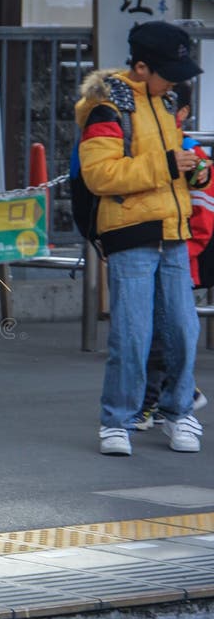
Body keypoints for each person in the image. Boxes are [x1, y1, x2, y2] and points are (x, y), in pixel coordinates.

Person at [75, 20, 206, 456]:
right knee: (132, 333)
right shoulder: (106, 106)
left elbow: (174, 163)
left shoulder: (166, 100)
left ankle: (178, 411)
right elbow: (100, 175)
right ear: (143, 67)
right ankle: (118, 418)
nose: (177, 80)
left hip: (173, 229)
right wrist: (170, 165)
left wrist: (195, 171)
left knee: (183, 331)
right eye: (169, 71)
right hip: (130, 231)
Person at [136, 80, 211, 430]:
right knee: (153, 333)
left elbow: (203, 217)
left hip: (180, 256)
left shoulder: (193, 153)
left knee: (167, 333)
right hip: (149, 251)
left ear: (182, 113)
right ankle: (165, 398)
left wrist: (185, 256)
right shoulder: (145, 147)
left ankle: (158, 401)